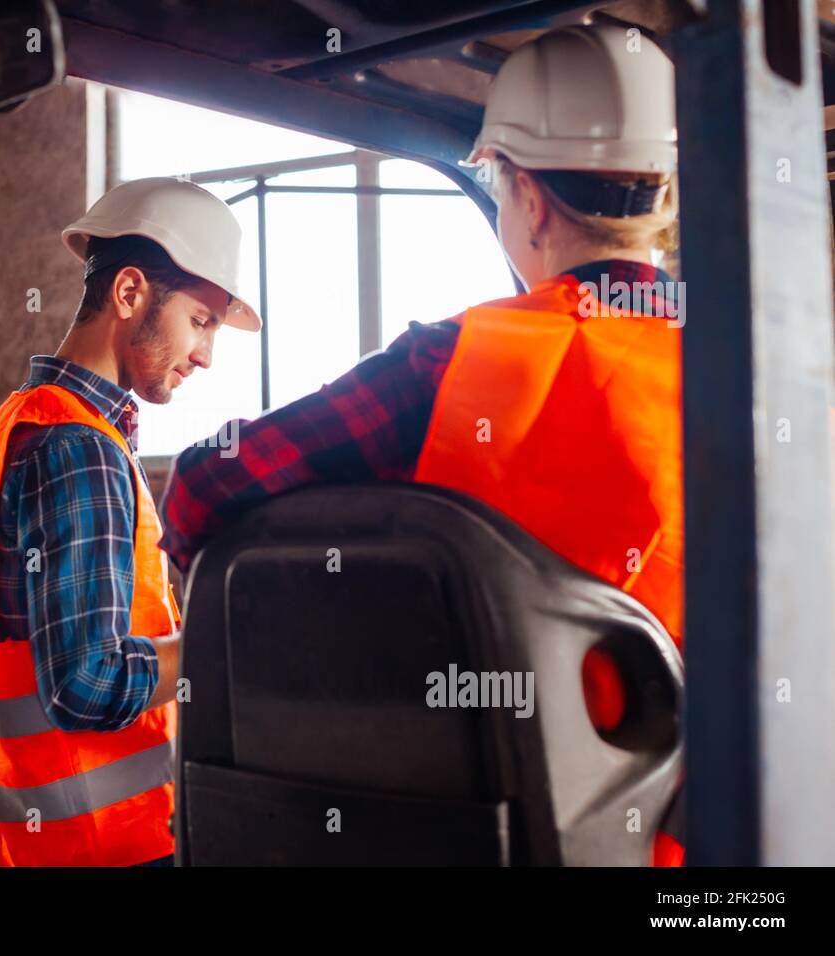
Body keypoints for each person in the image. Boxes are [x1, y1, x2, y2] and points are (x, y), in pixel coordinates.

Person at [160, 24, 685, 864]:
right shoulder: (775, 373)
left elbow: (203, 490)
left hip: (487, 835)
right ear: (662, 198)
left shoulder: (453, 365)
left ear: (530, 201)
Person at [0, 177, 261, 867]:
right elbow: (85, 684)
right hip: (95, 844)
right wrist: (228, 640)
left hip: (4, 843)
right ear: (129, 293)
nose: (207, 354)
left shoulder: (19, 421)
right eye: (201, 321)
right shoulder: (79, 449)